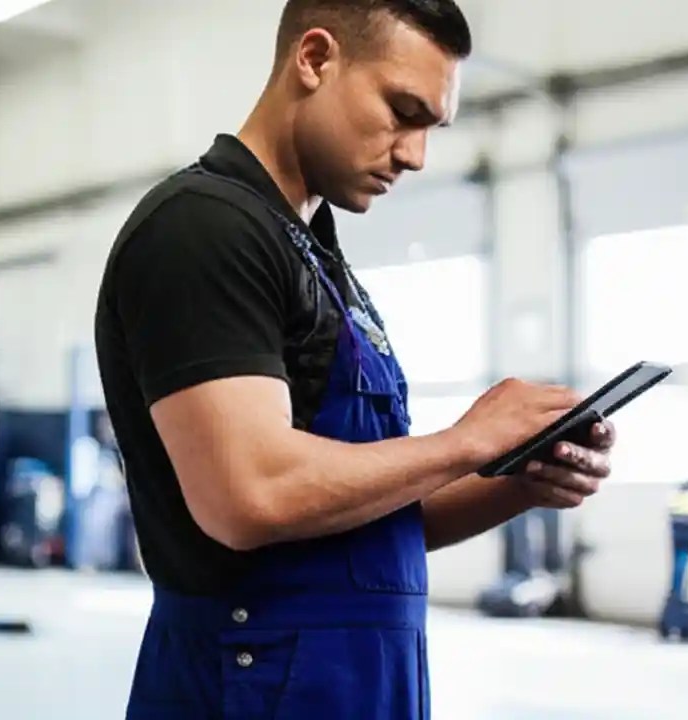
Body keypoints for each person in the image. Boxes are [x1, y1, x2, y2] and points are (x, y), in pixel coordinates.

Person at [92, 1, 617, 718]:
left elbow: (374, 522)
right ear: (314, 59)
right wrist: (467, 441)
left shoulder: (316, 258)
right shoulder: (203, 231)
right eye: (403, 112)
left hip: (354, 686)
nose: (415, 154)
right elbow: (251, 495)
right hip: (254, 685)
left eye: (432, 128)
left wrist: (522, 480)